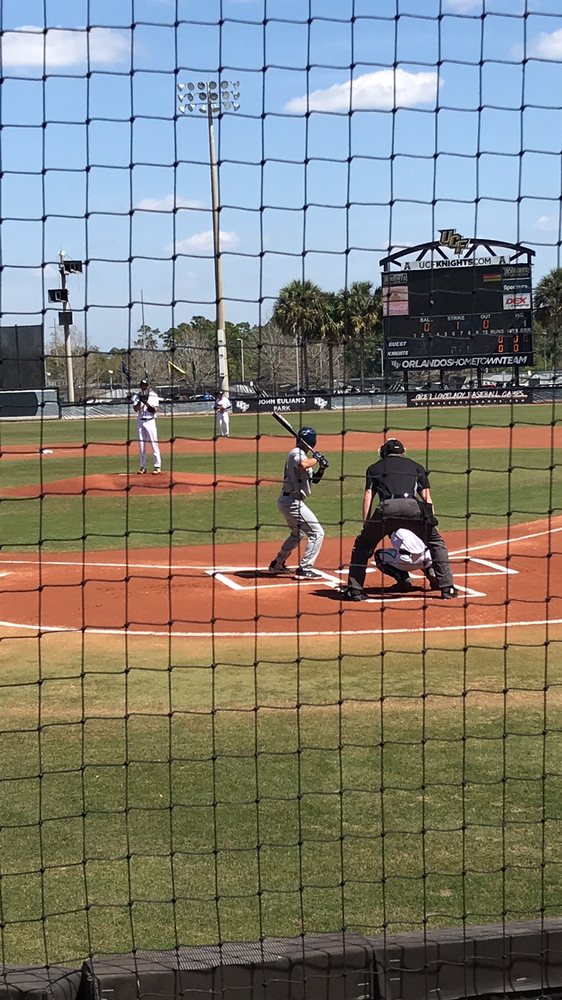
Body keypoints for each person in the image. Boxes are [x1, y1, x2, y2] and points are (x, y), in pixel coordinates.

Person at [342, 438, 456, 601]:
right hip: (413, 507)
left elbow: (368, 495)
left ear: (385, 453)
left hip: (387, 508)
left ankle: (354, 590)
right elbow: (426, 497)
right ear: (402, 453)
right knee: (436, 543)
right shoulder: (416, 466)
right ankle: (447, 588)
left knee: (362, 546)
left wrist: (367, 525)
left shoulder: (374, 468)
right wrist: (430, 521)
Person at [268, 426, 328, 580]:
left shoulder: (303, 455)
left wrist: (321, 468)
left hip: (289, 500)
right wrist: (316, 459)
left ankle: (277, 564)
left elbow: (314, 480)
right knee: (317, 533)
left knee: (298, 533)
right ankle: (305, 568)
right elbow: (303, 464)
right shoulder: (297, 453)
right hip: (292, 502)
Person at [374, 527, 439, 594]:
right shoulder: (416, 521)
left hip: (405, 561)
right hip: (426, 560)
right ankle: (431, 571)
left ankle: (403, 579)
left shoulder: (390, 523)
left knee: (378, 555)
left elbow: (374, 536)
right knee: (425, 550)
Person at [132, 377, 161, 474]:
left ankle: (157, 466)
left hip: (150, 421)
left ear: (148, 386)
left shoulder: (154, 396)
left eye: (145, 385)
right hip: (140, 421)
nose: (143, 387)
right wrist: (140, 401)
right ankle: (143, 466)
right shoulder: (137, 396)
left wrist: (146, 402)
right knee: (141, 445)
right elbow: (135, 409)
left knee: (154, 443)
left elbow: (154, 410)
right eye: (142, 385)